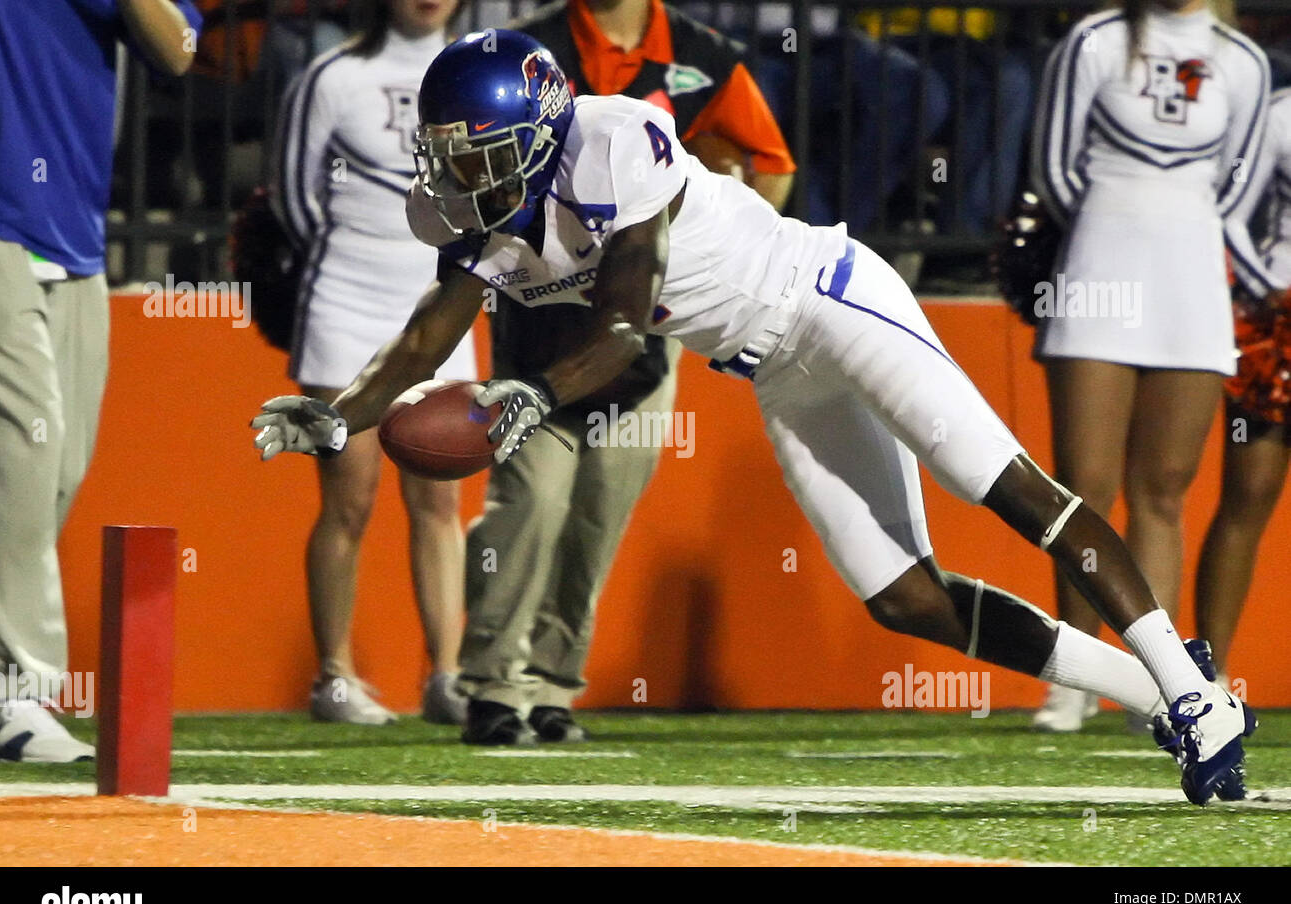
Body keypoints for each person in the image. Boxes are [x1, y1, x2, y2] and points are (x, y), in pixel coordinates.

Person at [253, 30, 1254, 805]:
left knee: (1000, 483)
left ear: (541, 127)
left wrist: (540, 392)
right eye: (446, 156)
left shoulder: (613, 137)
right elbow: (431, 331)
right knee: (903, 596)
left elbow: (625, 320)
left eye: (477, 154)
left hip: (824, 294)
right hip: (771, 363)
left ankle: (1195, 690)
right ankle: (1152, 689)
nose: (456, 177)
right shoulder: (478, 215)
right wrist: (342, 412)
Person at [456, 0, 795, 745]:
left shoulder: (702, 54)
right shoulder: (529, 50)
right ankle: (491, 686)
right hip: (539, 327)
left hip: (635, 337)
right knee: (528, 509)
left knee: (595, 523)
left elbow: (769, 163)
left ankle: (550, 688)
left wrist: (699, 244)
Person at [1027, 0, 1270, 731]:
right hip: (1101, 259)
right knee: (1084, 486)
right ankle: (1074, 679)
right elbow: (1053, 168)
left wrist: (1177, 225)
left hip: (1192, 274)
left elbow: (1239, 184)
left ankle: (1162, 688)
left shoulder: (1244, 60)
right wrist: (1115, 226)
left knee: (1164, 488)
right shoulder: (1093, 41)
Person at [0, 0, 201, 761]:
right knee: (22, 454)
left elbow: (179, 49)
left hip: (73, 227)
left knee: (60, 465)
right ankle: (12, 690)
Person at [273, 0, 475, 724]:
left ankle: (447, 675)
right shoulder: (333, 75)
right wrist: (350, 257)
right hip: (346, 302)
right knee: (349, 498)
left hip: (445, 304)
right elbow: (293, 198)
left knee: (440, 497)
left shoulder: (471, 70)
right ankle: (334, 676)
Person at [1194, 87, 1291, 682]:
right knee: (1248, 495)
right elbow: (1226, 210)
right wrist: (1271, 294)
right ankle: (1207, 679)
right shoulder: (1280, 113)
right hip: (1283, 325)